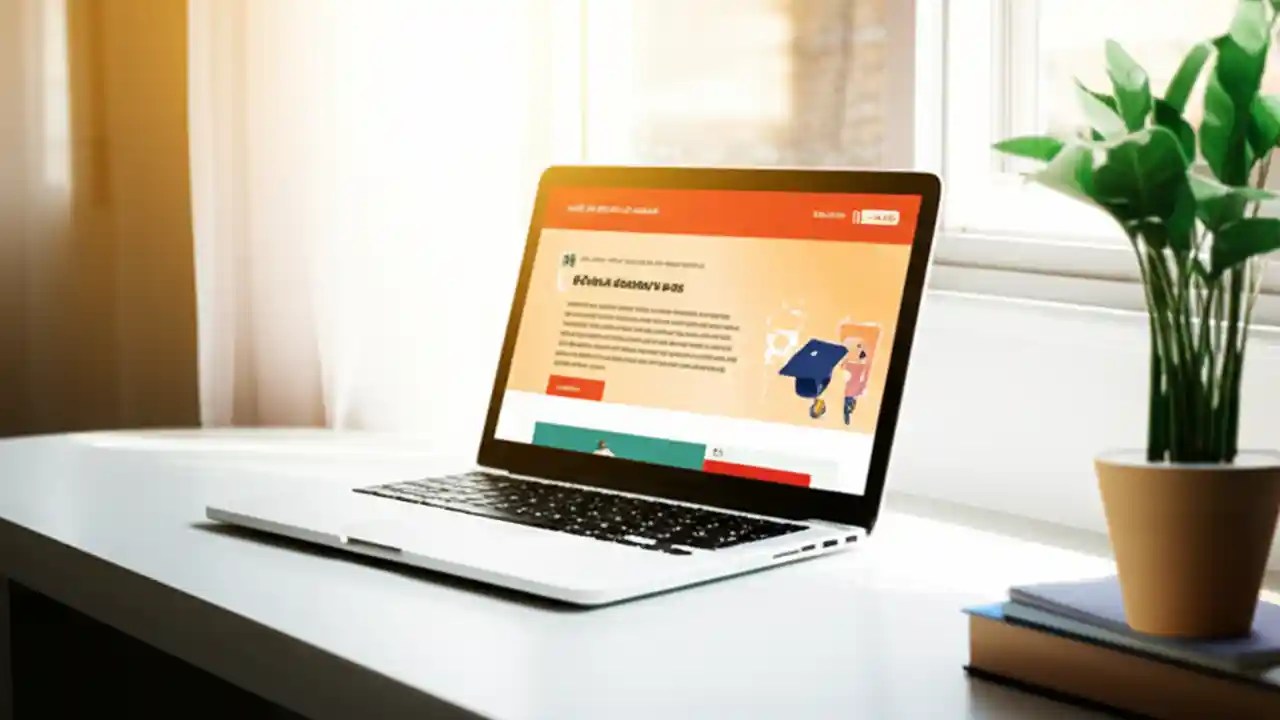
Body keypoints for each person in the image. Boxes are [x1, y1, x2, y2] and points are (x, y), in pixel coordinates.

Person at [842, 341, 870, 426]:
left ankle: (848, 410)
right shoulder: (858, 365)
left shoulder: (859, 365)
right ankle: (848, 410)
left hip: (854, 385)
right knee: (851, 397)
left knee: (851, 397)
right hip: (853, 385)